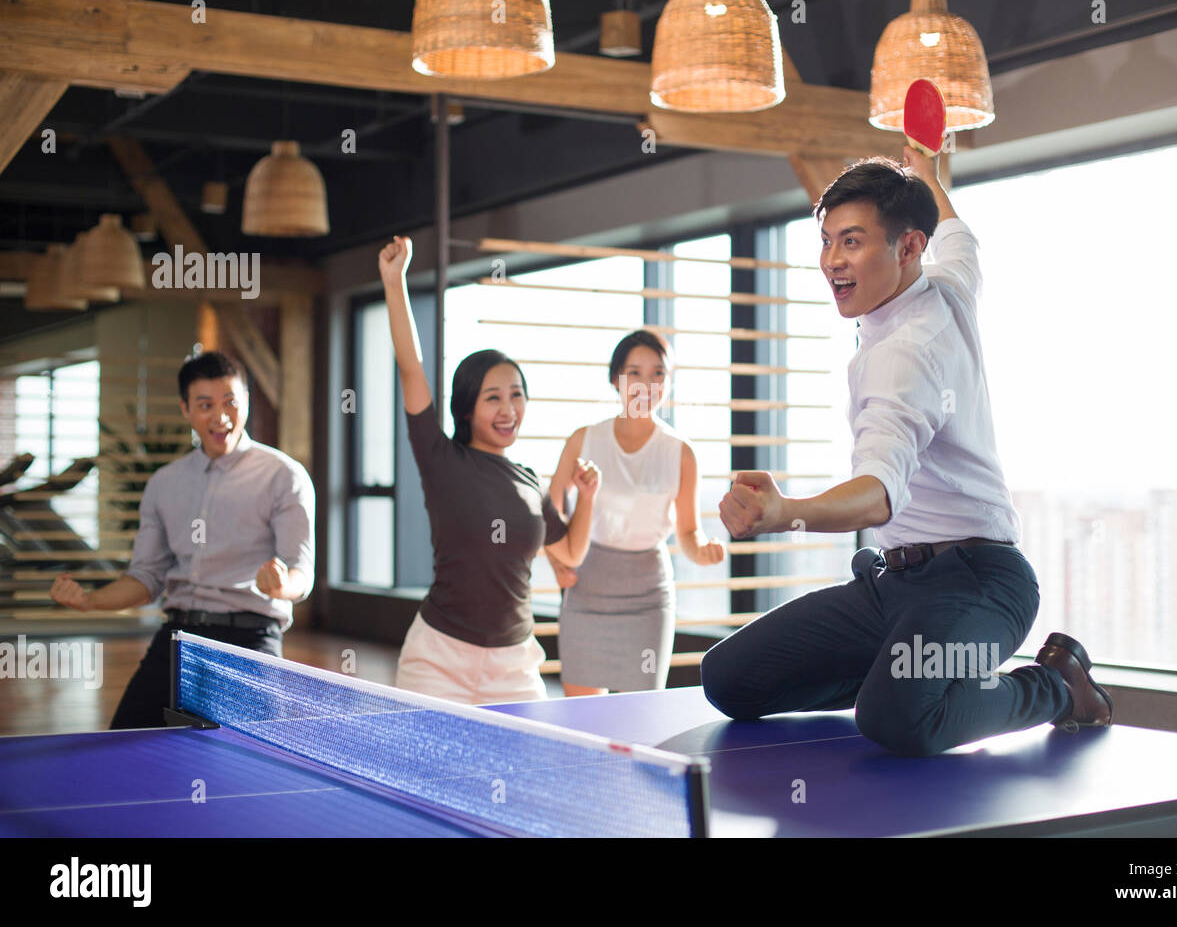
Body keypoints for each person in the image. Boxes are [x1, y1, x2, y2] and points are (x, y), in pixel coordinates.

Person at [700, 148, 1114, 756]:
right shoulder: (946, 285)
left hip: (980, 587)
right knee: (728, 680)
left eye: (851, 242)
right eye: (826, 242)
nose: (832, 262)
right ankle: (893, 672)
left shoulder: (907, 354)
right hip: (890, 589)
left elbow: (878, 495)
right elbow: (961, 240)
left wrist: (785, 510)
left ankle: (1056, 688)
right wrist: (928, 175)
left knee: (898, 721)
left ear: (907, 247)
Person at [379, 235, 600, 705]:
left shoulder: (529, 483)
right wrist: (395, 282)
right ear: (466, 408)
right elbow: (410, 369)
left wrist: (588, 497)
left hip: (515, 664)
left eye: (516, 394)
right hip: (438, 659)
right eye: (493, 397)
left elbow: (573, 553)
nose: (508, 408)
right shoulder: (441, 460)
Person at [49, 351, 315, 729]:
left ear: (246, 403)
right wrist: (90, 602)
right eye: (205, 405)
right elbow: (146, 579)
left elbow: (301, 571)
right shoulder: (163, 484)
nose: (221, 417)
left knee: (253, 768)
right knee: (121, 745)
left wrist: (282, 583)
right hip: (178, 638)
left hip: (250, 639)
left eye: (231, 402)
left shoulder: (284, 476)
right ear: (186, 409)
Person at [546, 330, 726, 695]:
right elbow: (549, 513)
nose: (646, 383)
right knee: (583, 723)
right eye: (635, 372)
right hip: (587, 590)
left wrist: (702, 550)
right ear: (616, 379)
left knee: (639, 719)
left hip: (648, 597)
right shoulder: (584, 439)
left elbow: (688, 531)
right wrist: (557, 564)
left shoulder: (681, 452)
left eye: (658, 373)